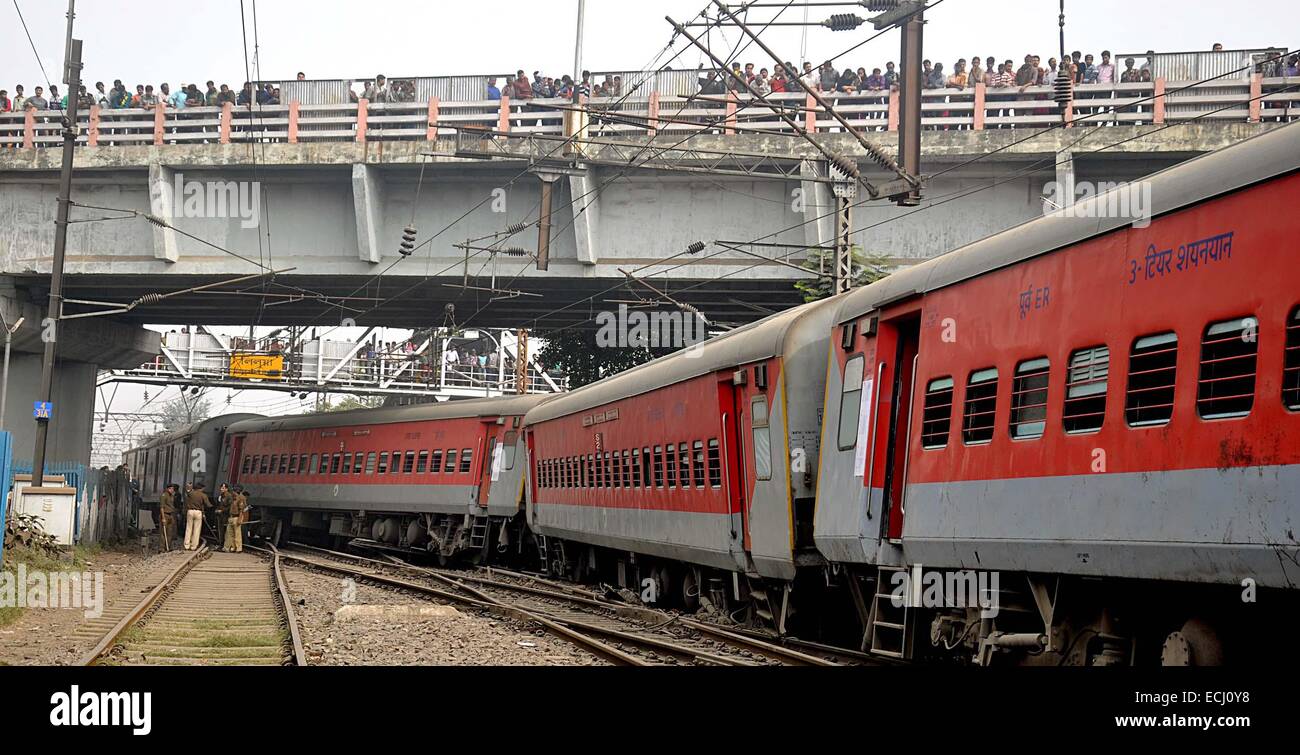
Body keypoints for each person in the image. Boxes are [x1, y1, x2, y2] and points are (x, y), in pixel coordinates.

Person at [183, 482, 211, 551]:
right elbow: (208, 505)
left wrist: (189, 487)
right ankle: (194, 546)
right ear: (201, 488)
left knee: (189, 528)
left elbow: (187, 490)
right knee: (197, 529)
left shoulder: (191, 493)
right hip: (198, 512)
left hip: (190, 511)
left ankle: (186, 545)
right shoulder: (203, 495)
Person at [224, 486, 247, 553]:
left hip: (237, 517)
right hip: (231, 517)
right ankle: (231, 547)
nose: (232, 492)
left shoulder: (241, 498)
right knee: (229, 533)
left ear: (236, 491)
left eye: (233, 491)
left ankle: (238, 548)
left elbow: (241, 510)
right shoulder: (233, 498)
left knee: (237, 533)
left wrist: (240, 519)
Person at [159, 484, 178, 552]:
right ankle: (161, 548)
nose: (172, 490)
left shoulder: (171, 496)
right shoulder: (164, 496)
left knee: (170, 532)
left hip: (170, 515)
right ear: (168, 489)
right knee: (163, 533)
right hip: (165, 515)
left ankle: (168, 546)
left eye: (173, 489)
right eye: (171, 489)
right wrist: (163, 518)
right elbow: (161, 507)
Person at [215, 483, 234, 551]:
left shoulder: (229, 496)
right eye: (221, 488)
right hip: (220, 515)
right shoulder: (220, 496)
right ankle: (220, 543)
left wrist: (222, 510)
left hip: (225, 515)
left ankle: (224, 544)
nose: (221, 489)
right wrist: (217, 510)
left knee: (225, 529)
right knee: (220, 529)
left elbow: (230, 506)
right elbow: (218, 504)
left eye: (223, 488)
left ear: (226, 489)